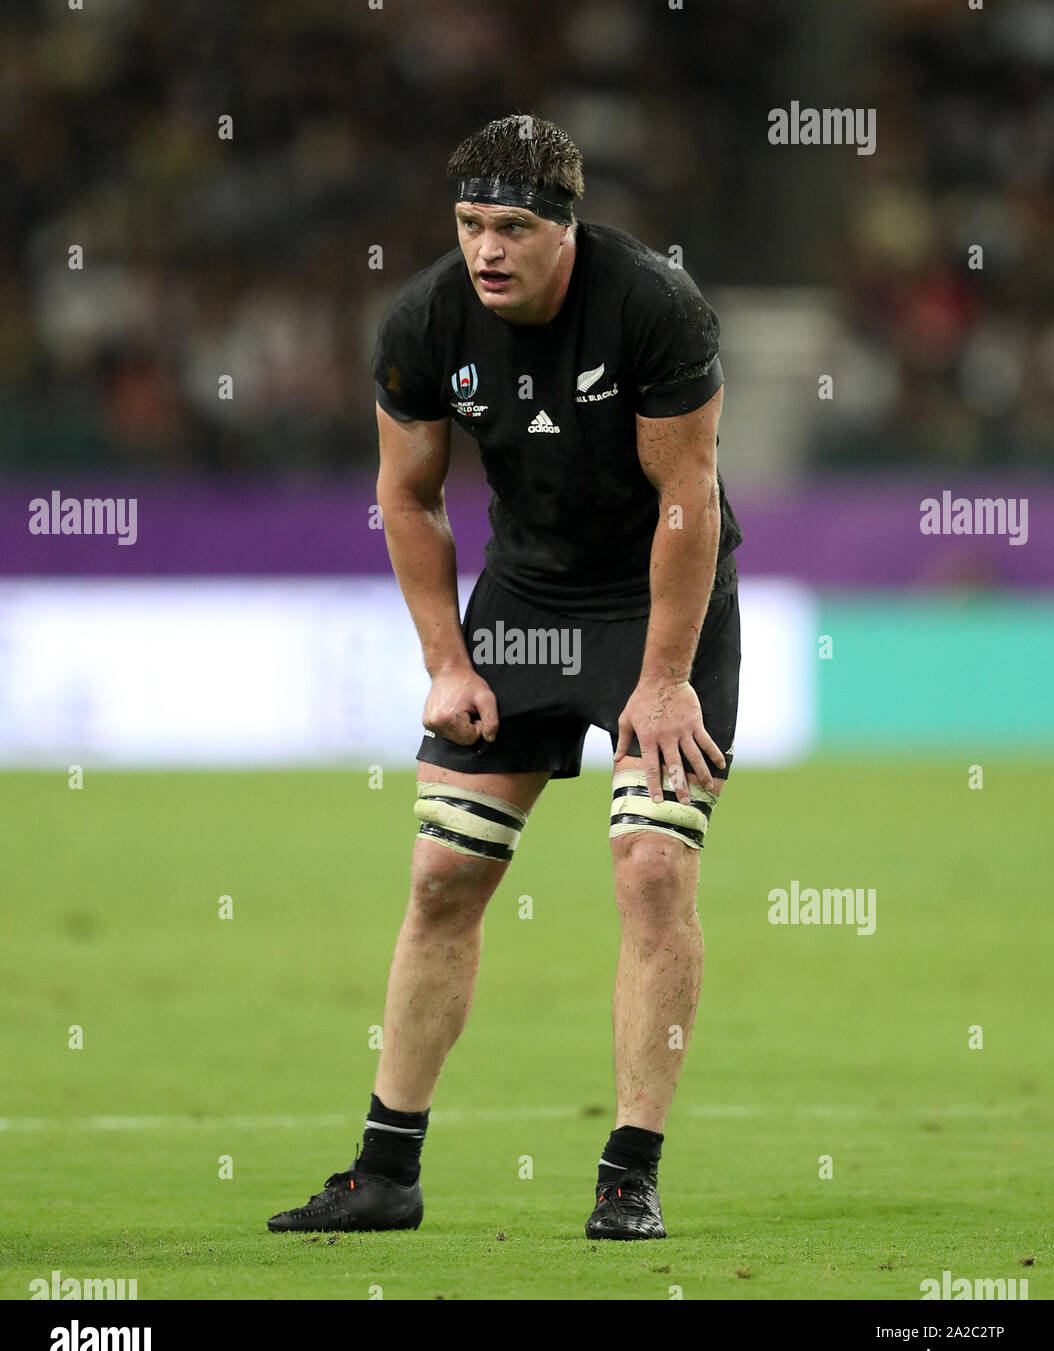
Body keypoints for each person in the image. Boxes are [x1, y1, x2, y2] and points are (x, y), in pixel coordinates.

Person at [268, 114, 743, 1241]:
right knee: (440, 874)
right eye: (472, 224)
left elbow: (690, 500)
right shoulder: (425, 319)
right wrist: (445, 661)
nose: (487, 248)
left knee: (648, 870)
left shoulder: (651, 307)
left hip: (658, 603)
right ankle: (385, 1173)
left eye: (513, 228)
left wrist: (665, 678)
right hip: (525, 606)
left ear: (566, 230)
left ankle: (628, 1171)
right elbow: (407, 495)